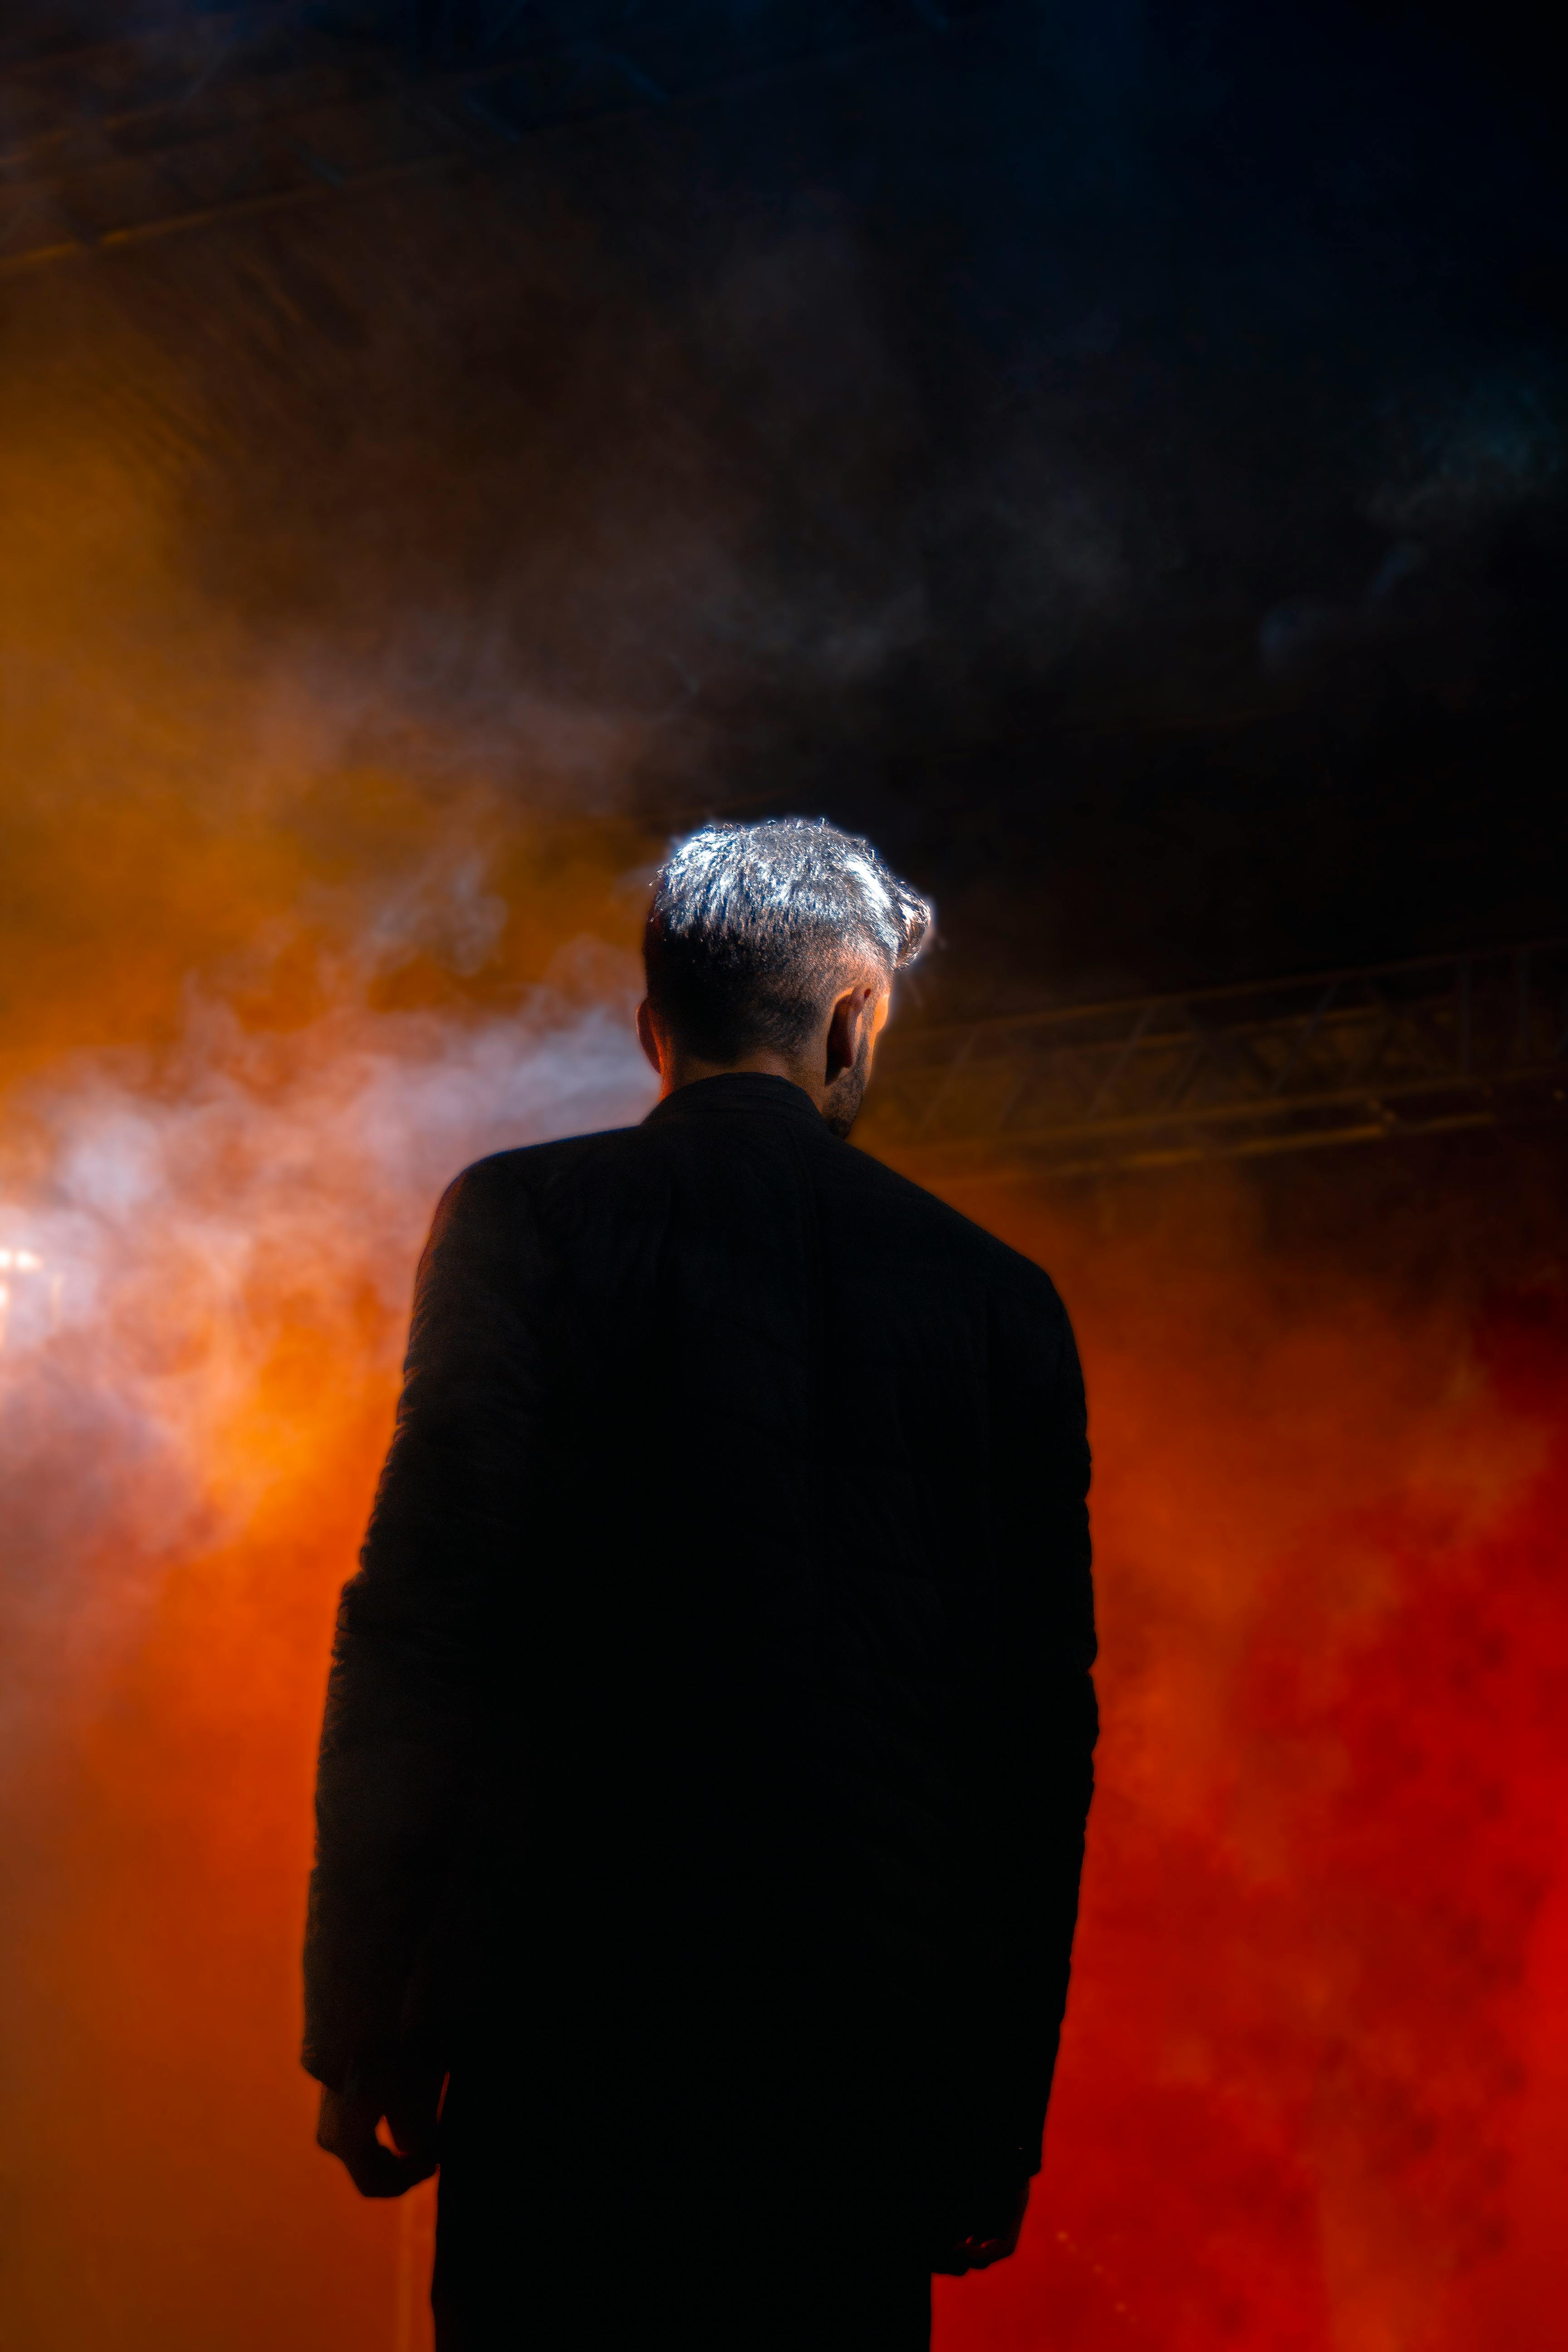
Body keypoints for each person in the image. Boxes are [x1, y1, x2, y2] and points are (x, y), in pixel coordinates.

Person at [304, 816, 1097, 2350]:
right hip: (857, 2081)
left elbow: (418, 1631)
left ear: (651, 1023)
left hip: (565, 2046)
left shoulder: (524, 1219)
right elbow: (1032, 1752)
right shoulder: (1006, 1304)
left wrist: (363, 2017)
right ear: (855, 1017)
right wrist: (995, 2112)